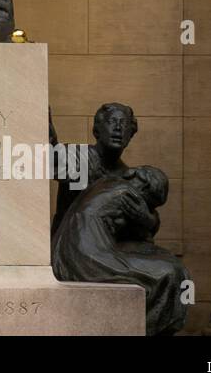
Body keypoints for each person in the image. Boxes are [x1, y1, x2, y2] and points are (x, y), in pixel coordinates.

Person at [51, 165, 190, 336]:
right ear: (144, 187)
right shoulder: (128, 194)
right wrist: (148, 219)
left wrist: (148, 221)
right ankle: (151, 328)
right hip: (88, 257)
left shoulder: (106, 182)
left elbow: (136, 236)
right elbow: (142, 231)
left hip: (76, 250)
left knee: (163, 260)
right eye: (151, 202)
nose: (148, 206)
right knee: (172, 271)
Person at [48, 102, 138, 235]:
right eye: (112, 121)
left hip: (104, 246)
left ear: (130, 135)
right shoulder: (78, 156)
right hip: (69, 242)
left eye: (124, 124)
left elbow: (141, 222)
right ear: (97, 130)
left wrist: (148, 220)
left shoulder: (128, 177)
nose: (118, 128)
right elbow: (52, 157)